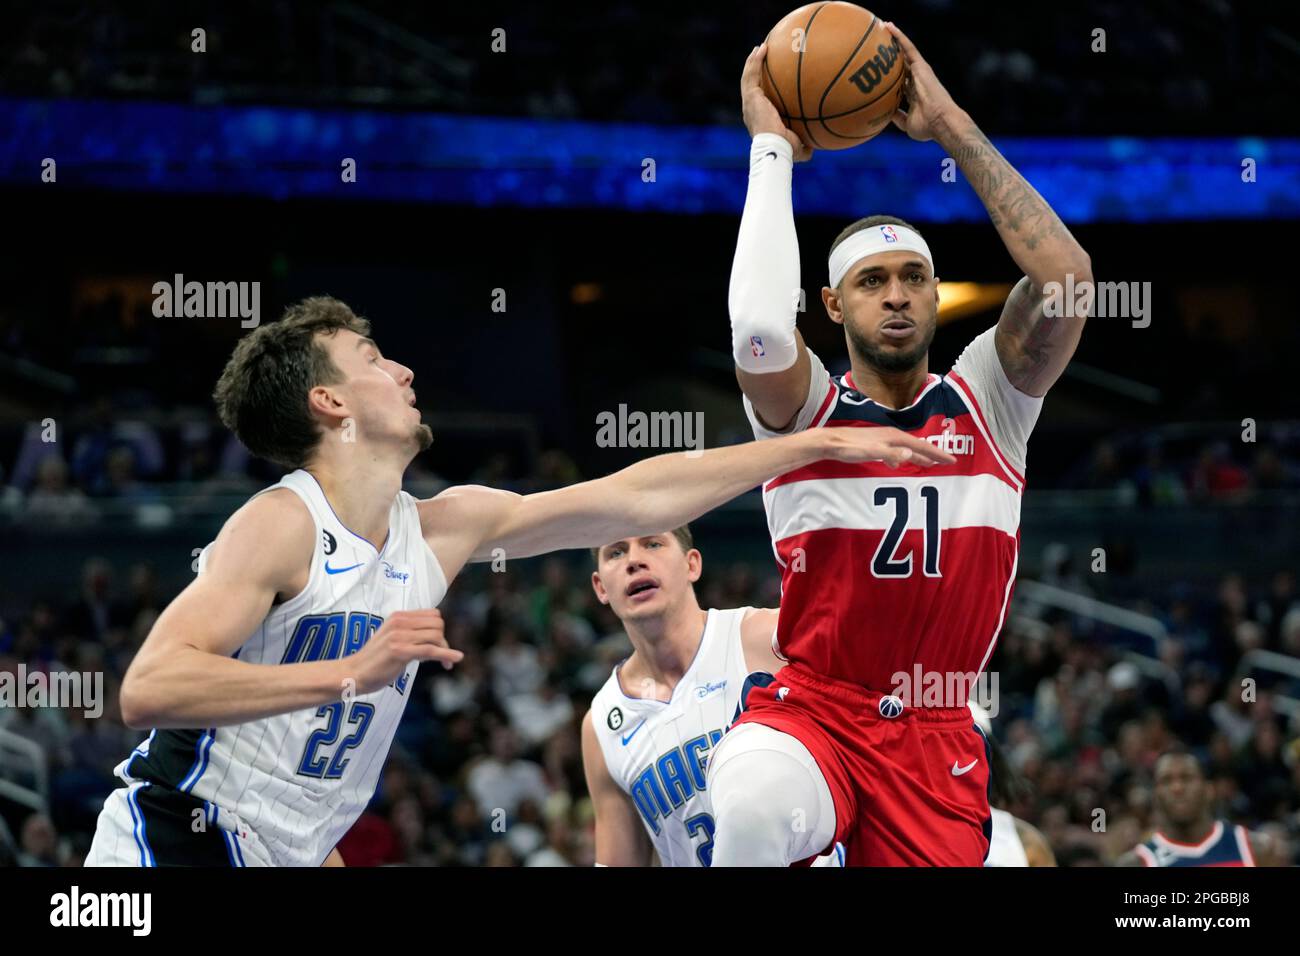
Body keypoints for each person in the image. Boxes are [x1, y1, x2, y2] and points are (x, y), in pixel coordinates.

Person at [84, 296, 949, 867]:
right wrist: (355, 670)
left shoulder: (444, 527)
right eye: (375, 359)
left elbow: (629, 496)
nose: (404, 371)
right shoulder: (282, 522)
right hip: (172, 835)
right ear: (330, 404)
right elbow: (151, 688)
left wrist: (808, 445)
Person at [707, 24, 1093, 867]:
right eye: (871, 282)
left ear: (934, 295)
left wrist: (950, 123)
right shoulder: (805, 412)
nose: (897, 297)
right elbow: (762, 331)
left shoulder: (990, 397)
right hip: (816, 709)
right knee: (751, 807)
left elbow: (1066, 285)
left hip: (936, 732)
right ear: (835, 306)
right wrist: (772, 148)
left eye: (914, 278)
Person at [581, 526, 842, 866]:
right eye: (615, 552)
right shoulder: (600, 725)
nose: (634, 560)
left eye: (653, 543)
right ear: (601, 586)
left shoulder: (766, 639)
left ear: (692, 564)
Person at [1116, 750, 1269, 867]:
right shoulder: (1136, 862)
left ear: (1209, 790)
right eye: (1166, 780)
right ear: (1156, 795)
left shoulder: (1257, 849)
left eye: (1187, 778)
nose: (1177, 788)